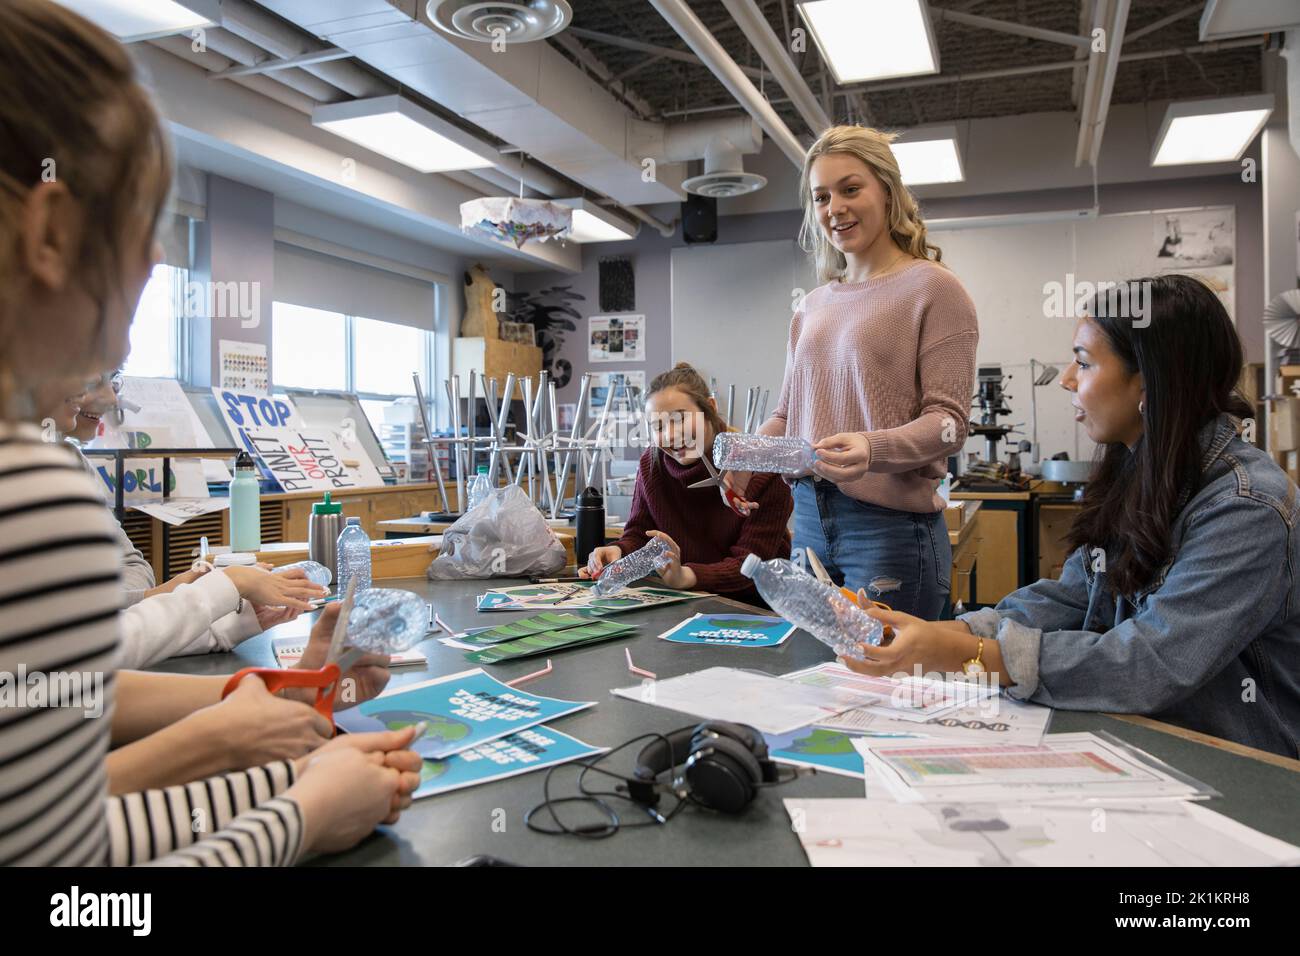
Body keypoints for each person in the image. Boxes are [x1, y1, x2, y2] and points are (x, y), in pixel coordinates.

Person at [0, 0, 420, 865]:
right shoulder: (34, 494)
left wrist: (281, 734)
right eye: (141, 222)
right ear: (48, 232)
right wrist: (299, 821)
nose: (158, 260)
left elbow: (39, 805)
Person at [844, 274, 1300, 758]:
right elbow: (1070, 598)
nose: (1066, 379)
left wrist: (969, 656)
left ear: (1148, 379)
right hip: (1157, 741)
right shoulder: (1140, 470)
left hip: (1243, 768)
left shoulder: (1247, 509)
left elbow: (1151, 664)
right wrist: (939, 632)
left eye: (1083, 362)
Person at [724, 125, 978, 619]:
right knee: (815, 682)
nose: (834, 208)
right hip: (809, 524)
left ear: (887, 191)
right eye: (821, 196)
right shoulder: (813, 305)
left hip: (889, 529)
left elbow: (950, 422)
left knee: (886, 686)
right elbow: (786, 415)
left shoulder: (934, 289)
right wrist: (742, 458)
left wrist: (872, 448)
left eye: (850, 189)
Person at [580, 363, 792, 605]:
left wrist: (685, 576)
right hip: (688, 601)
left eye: (679, 419)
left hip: (758, 608)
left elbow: (750, 566)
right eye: (658, 426)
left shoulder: (762, 471)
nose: (670, 435)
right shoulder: (652, 463)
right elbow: (640, 534)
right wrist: (618, 552)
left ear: (710, 408)